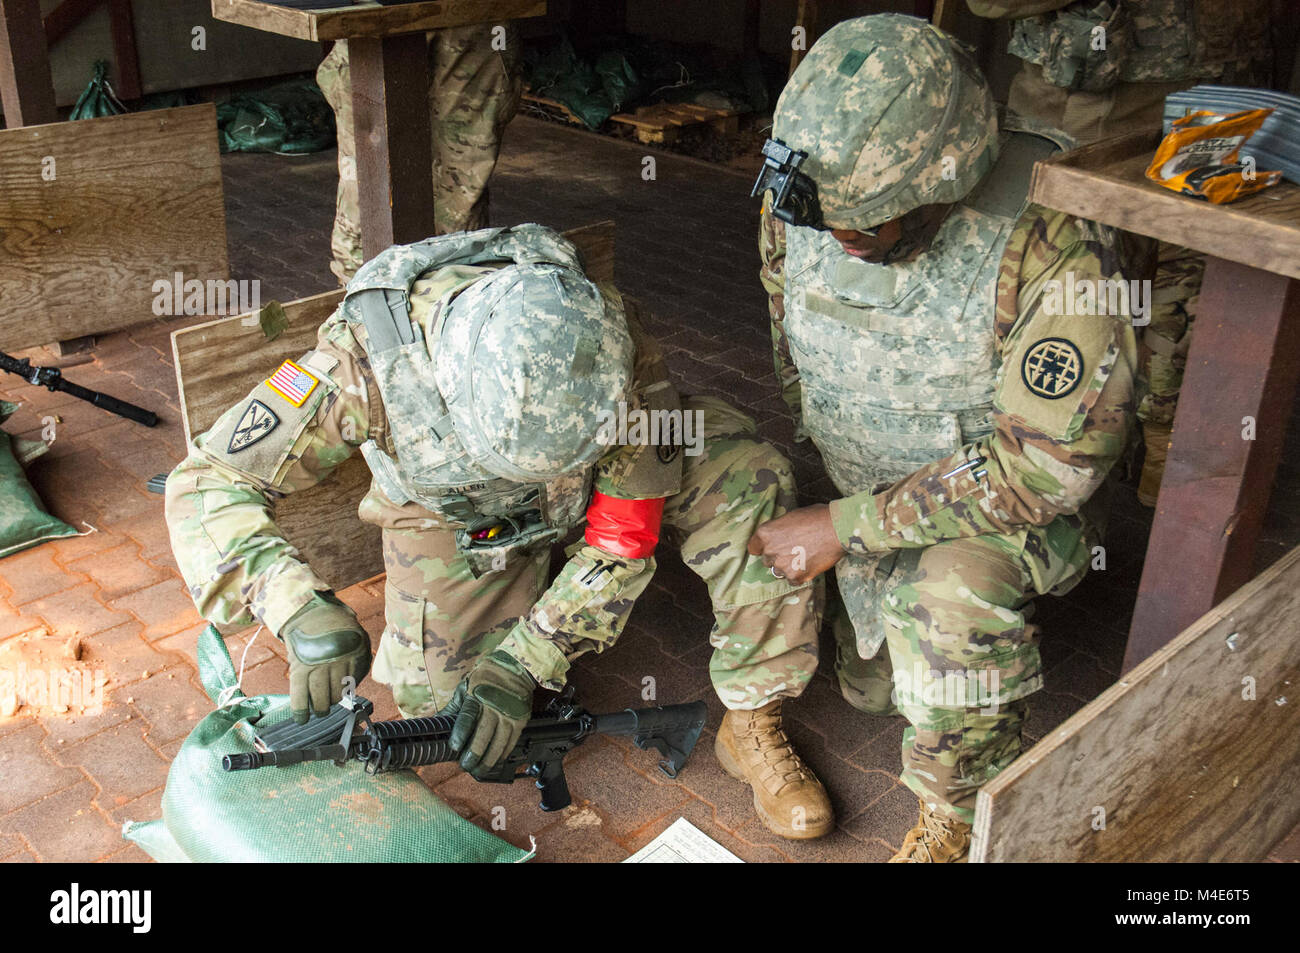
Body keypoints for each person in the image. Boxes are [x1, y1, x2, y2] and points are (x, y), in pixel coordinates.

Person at [164, 224, 834, 840]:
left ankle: (755, 716)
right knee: (455, 719)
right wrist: (296, 606)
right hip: (460, 521)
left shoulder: (606, 341)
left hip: (597, 487)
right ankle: (527, 589)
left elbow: (623, 533)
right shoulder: (365, 360)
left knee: (751, 479)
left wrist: (527, 659)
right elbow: (209, 480)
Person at [748, 14, 1138, 861]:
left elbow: (1047, 469)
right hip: (873, 489)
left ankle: (956, 819)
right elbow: (792, 347)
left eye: (867, 225)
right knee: (869, 693)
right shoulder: (807, 197)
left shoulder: (1052, 229)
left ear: (948, 178)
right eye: (829, 222)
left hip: (1010, 507)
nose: (836, 240)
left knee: (949, 608)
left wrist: (845, 527)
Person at [965, 0, 1273, 503]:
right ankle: (1045, 456)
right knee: (1069, 285)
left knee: (1185, 283)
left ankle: (1161, 465)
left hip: (1209, 99)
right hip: (1079, 108)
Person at [316, 23, 524, 284]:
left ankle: (452, 298)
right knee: (368, 176)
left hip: (477, 21)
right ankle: (361, 300)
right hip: (370, 18)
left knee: (460, 180)